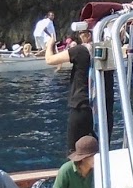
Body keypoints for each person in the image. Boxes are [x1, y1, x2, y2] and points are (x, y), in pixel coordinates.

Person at [46, 20, 112, 150]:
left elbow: (49, 60)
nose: (80, 36)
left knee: (74, 151)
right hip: (103, 109)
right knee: (101, 150)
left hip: (81, 106)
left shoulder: (80, 51)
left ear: (88, 35)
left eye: (81, 33)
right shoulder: (109, 51)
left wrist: (49, 45)